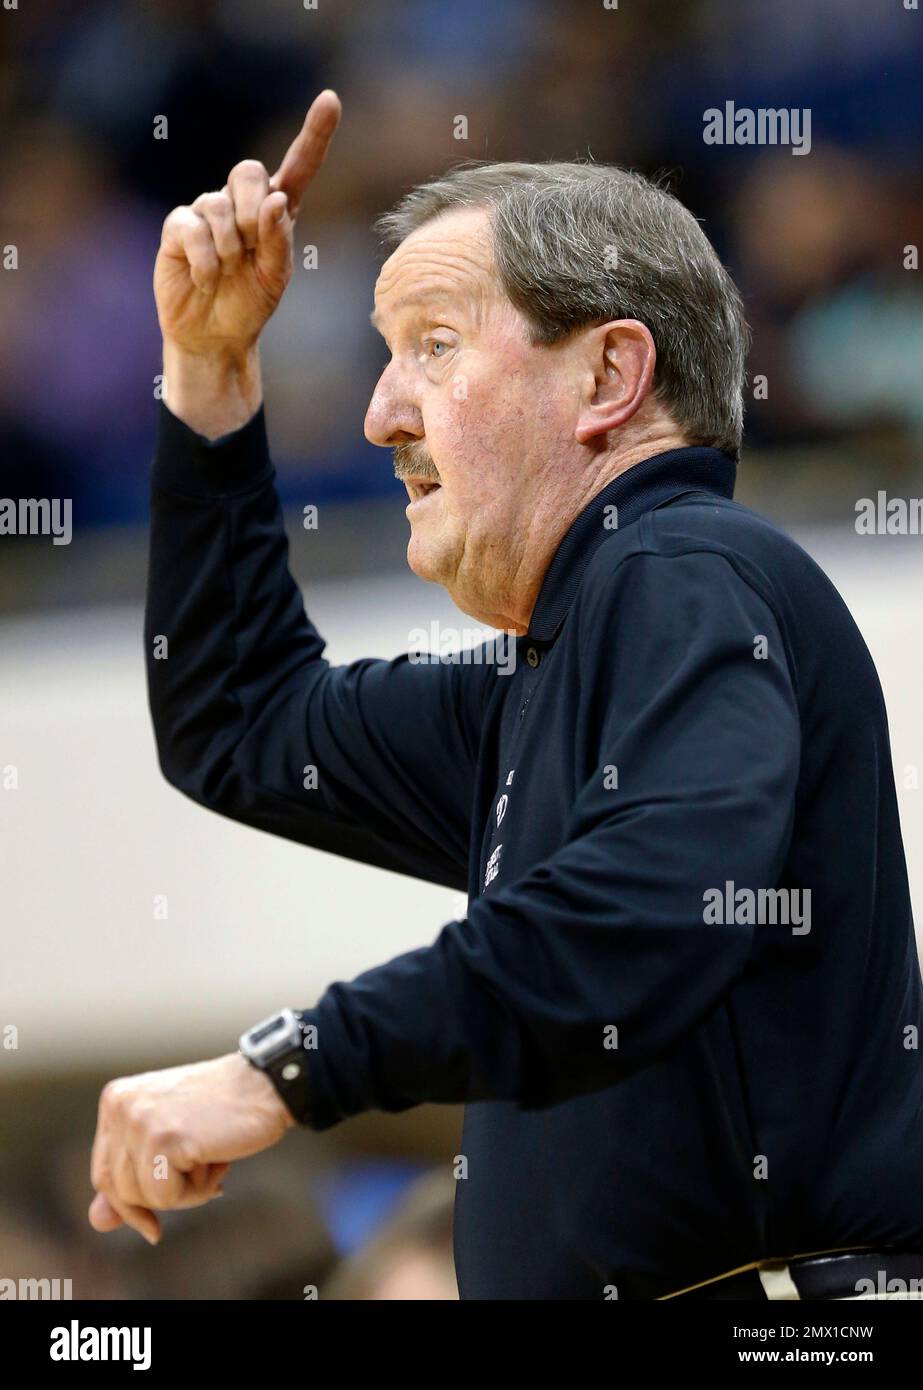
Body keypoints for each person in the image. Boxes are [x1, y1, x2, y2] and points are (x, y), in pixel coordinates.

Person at [89, 90, 923, 1301]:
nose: (380, 413)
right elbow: (238, 718)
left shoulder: (683, 568)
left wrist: (285, 1066)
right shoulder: (556, 669)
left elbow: (645, 910)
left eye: (432, 344)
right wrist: (210, 367)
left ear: (608, 375)